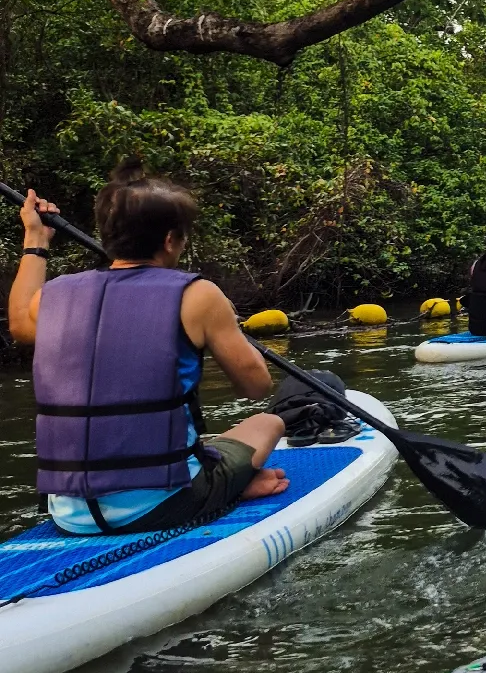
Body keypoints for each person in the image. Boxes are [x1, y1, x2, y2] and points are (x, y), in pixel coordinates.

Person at [8, 170, 289, 537]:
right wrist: (220, 328)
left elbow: (19, 324)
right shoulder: (198, 294)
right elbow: (256, 386)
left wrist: (35, 238)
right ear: (171, 240)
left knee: (199, 445)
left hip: (68, 511)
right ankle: (227, 488)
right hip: (163, 505)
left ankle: (224, 483)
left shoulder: (54, 296)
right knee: (268, 423)